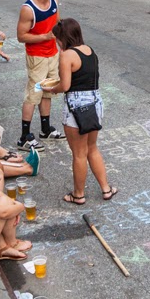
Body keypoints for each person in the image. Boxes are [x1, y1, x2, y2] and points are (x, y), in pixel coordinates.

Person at [42, 18, 116, 205]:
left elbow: (65, 85)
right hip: (95, 102)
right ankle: (106, 189)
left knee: (79, 153)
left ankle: (78, 194)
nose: (57, 43)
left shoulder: (67, 55)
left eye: (58, 39)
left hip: (76, 106)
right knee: (92, 148)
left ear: (64, 38)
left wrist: (51, 89)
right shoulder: (89, 50)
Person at [17, 0, 63, 151]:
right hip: (37, 58)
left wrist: (62, 45)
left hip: (52, 55)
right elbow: (21, 36)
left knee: (47, 91)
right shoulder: (28, 9)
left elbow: (57, 25)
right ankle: (24, 137)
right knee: (33, 95)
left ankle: (45, 129)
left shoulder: (54, 1)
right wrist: (45, 37)